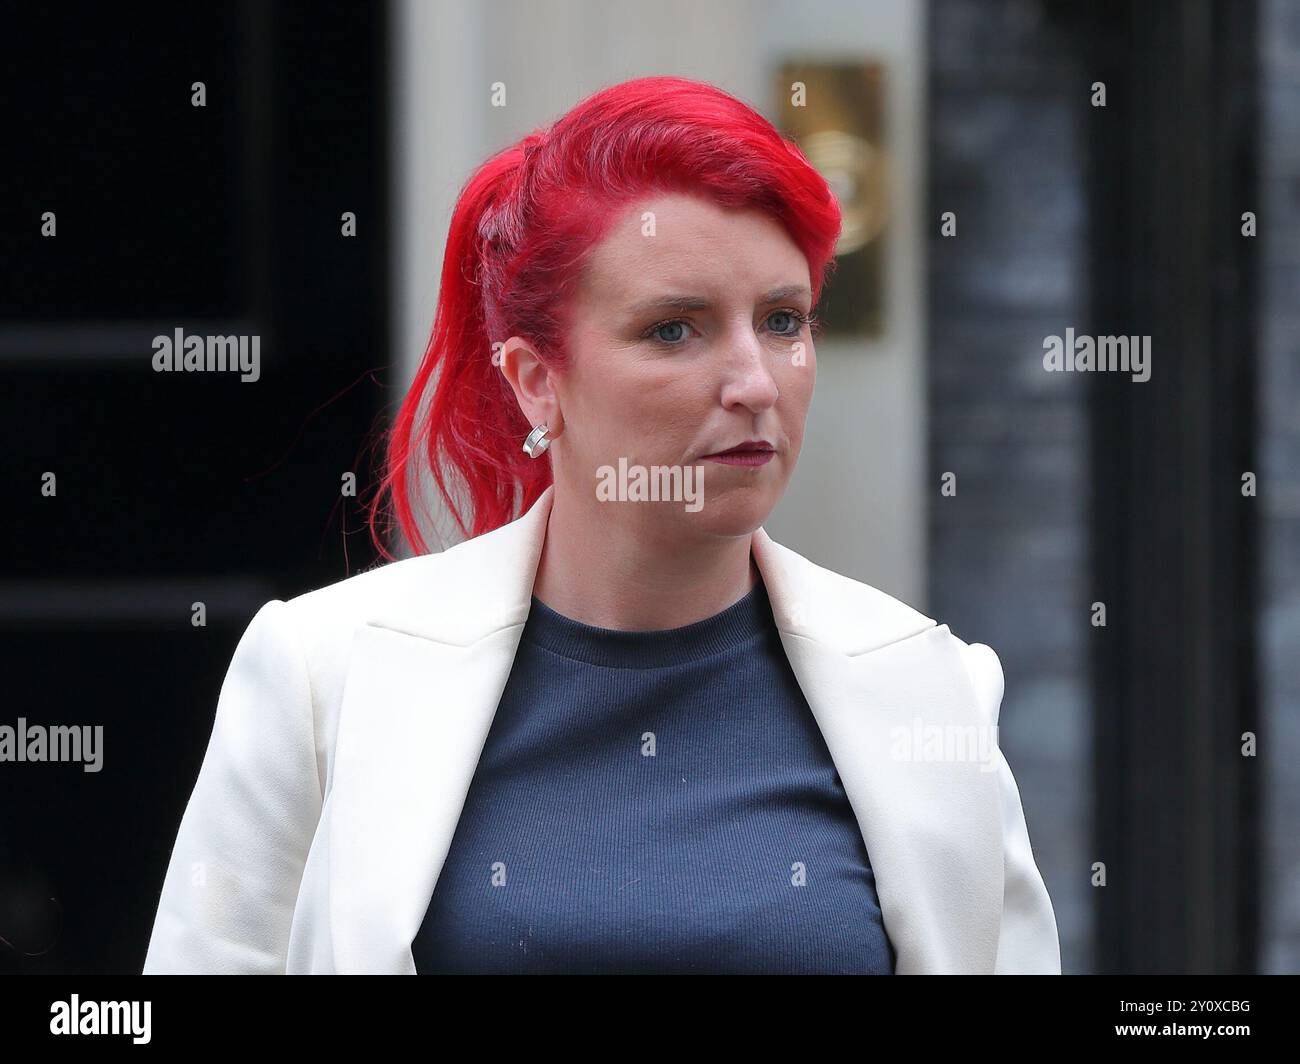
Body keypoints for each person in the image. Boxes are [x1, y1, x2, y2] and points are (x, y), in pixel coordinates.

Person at [142, 75, 1060, 975]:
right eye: (674, 329)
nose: (754, 383)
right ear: (537, 379)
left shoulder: (927, 688)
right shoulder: (323, 675)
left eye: (783, 320)